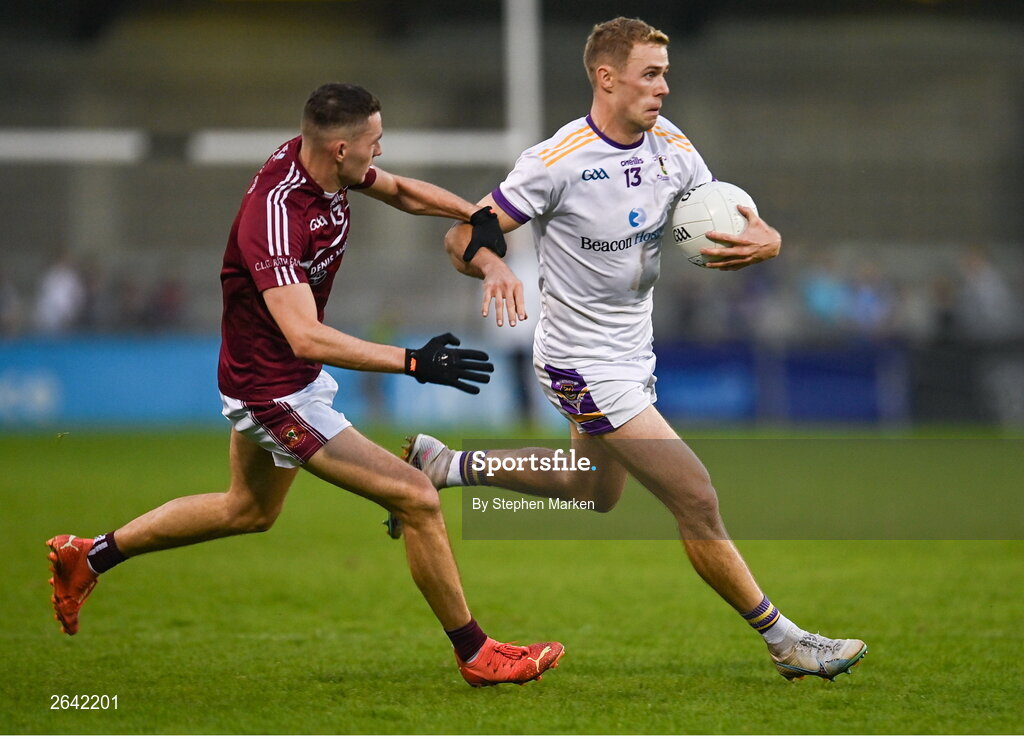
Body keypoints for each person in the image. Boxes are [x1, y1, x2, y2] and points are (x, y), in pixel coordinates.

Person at [46, 83, 563, 688]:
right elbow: (306, 336)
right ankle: (477, 654)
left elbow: (398, 191)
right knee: (417, 497)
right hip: (274, 390)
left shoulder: (329, 169)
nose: (380, 153)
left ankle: (89, 555)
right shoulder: (276, 214)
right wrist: (413, 362)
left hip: (278, 377)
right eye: (374, 143)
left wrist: (473, 215)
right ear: (341, 147)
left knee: (248, 509)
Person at [400, 18, 867, 681]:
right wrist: (494, 265)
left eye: (666, 74)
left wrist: (770, 242)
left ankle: (444, 464)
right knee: (696, 497)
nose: (664, 88)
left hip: (631, 354)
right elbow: (459, 238)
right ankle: (787, 641)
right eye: (651, 74)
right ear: (606, 77)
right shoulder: (556, 162)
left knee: (592, 488)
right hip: (579, 362)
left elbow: (730, 218)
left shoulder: (673, 148)